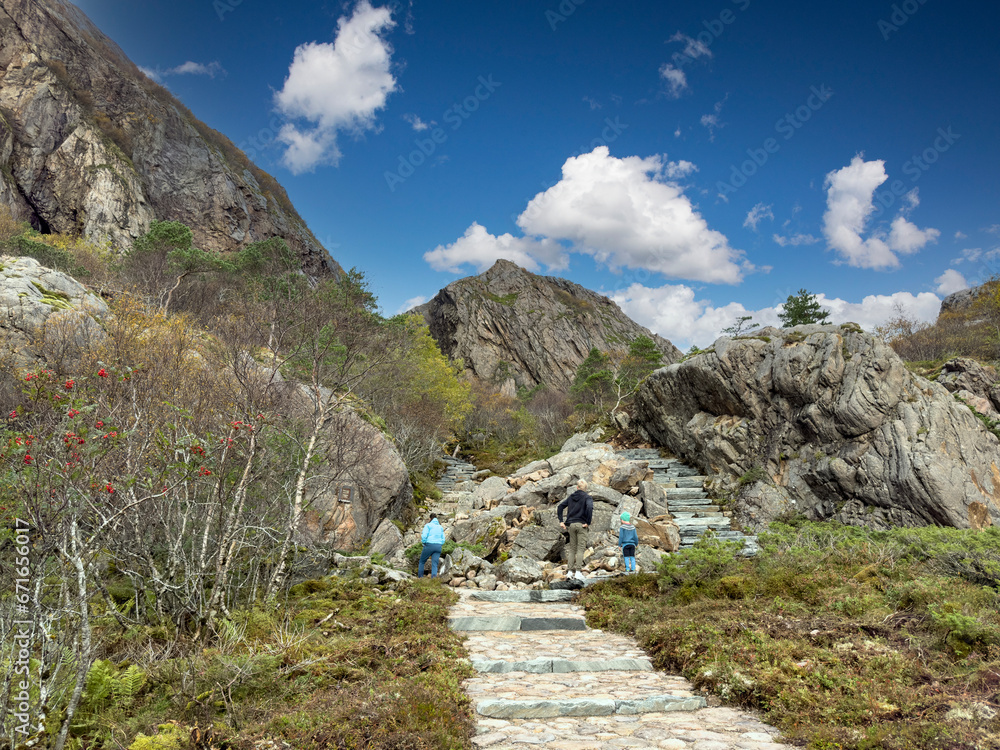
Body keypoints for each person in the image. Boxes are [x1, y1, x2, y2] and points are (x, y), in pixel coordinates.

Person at [557, 479, 593, 581]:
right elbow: (589, 507)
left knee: (572, 549)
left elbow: (560, 507)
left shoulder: (571, 497)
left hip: (571, 525)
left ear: (577, 487)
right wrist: (588, 522)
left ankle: (569, 572)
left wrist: (561, 521)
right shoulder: (587, 497)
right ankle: (577, 572)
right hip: (582, 525)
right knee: (581, 549)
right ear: (585, 489)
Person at [418, 513, 445, 578]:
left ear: (430, 518)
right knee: (435, 564)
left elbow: (424, 536)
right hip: (438, 546)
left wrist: (424, 543)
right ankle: (433, 579)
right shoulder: (440, 527)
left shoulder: (428, 525)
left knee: (422, 561)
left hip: (429, 545)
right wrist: (439, 544)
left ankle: (420, 578)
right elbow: (443, 539)